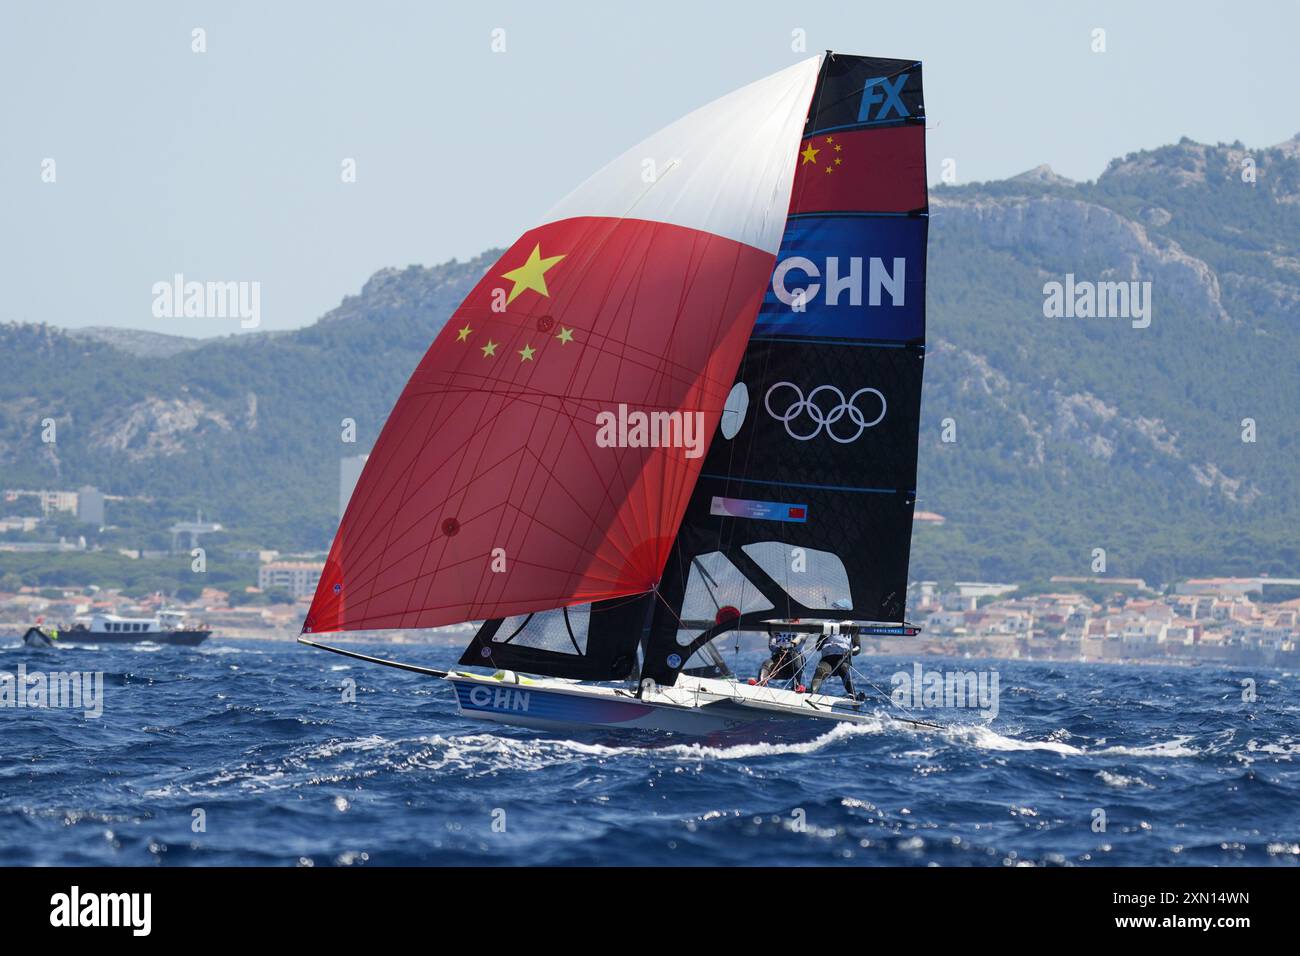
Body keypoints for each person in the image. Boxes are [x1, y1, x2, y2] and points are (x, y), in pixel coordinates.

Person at [809, 625, 862, 699]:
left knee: (843, 668)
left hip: (843, 658)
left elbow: (858, 647)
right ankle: (812, 694)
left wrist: (851, 651)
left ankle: (853, 696)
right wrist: (824, 636)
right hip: (827, 659)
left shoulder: (852, 626)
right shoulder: (828, 625)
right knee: (820, 671)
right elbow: (818, 647)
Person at [756, 621, 806, 690]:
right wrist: (778, 648)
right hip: (780, 662)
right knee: (766, 663)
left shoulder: (802, 629)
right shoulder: (777, 628)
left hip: (794, 664)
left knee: (795, 657)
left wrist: (789, 645)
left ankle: (797, 686)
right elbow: (772, 645)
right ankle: (760, 683)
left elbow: (798, 639)